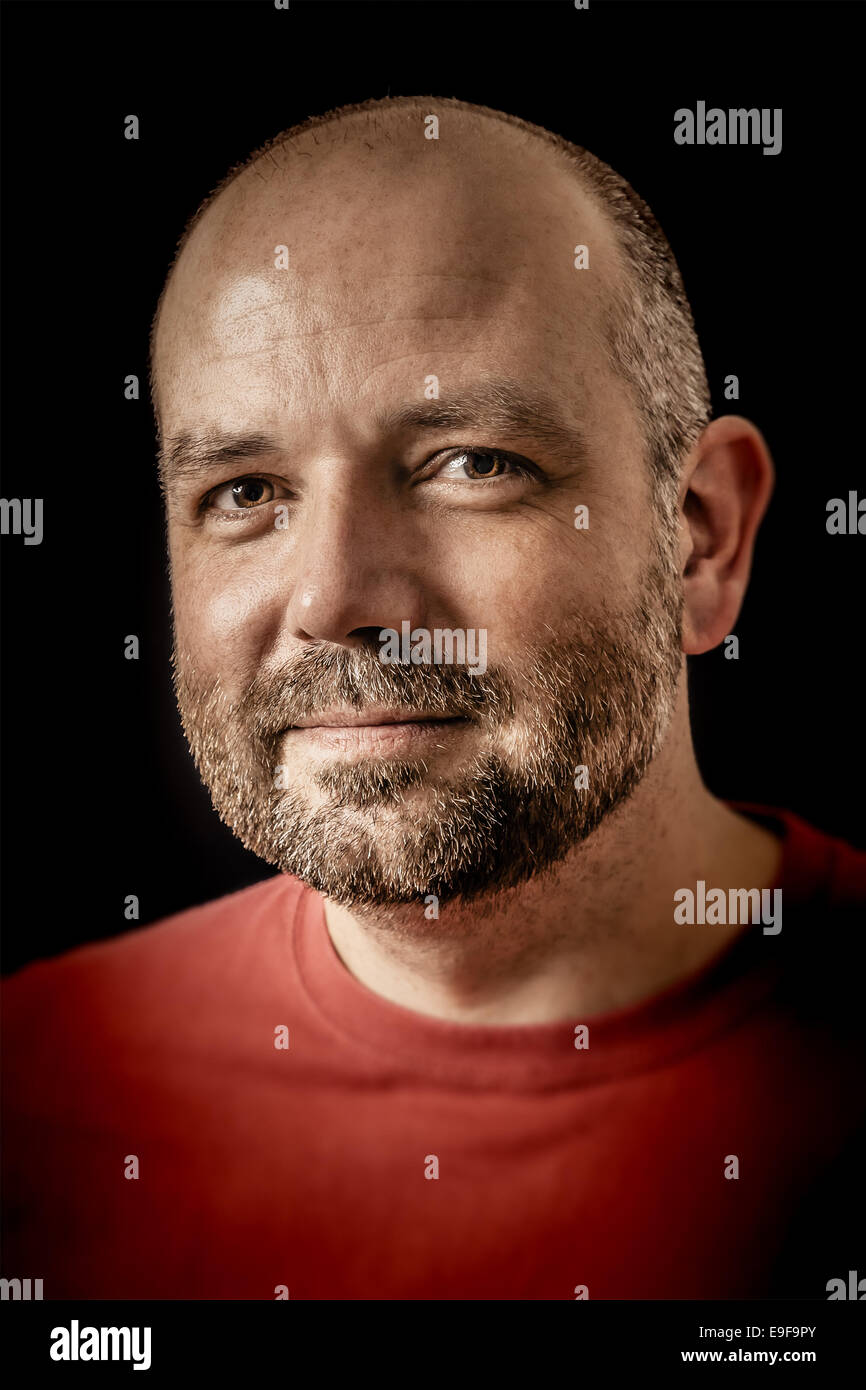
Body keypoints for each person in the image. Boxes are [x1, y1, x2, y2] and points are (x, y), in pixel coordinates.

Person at [3, 96, 864, 1301]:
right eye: (246, 491)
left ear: (698, 541)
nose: (336, 598)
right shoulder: (31, 1090)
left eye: (470, 464)